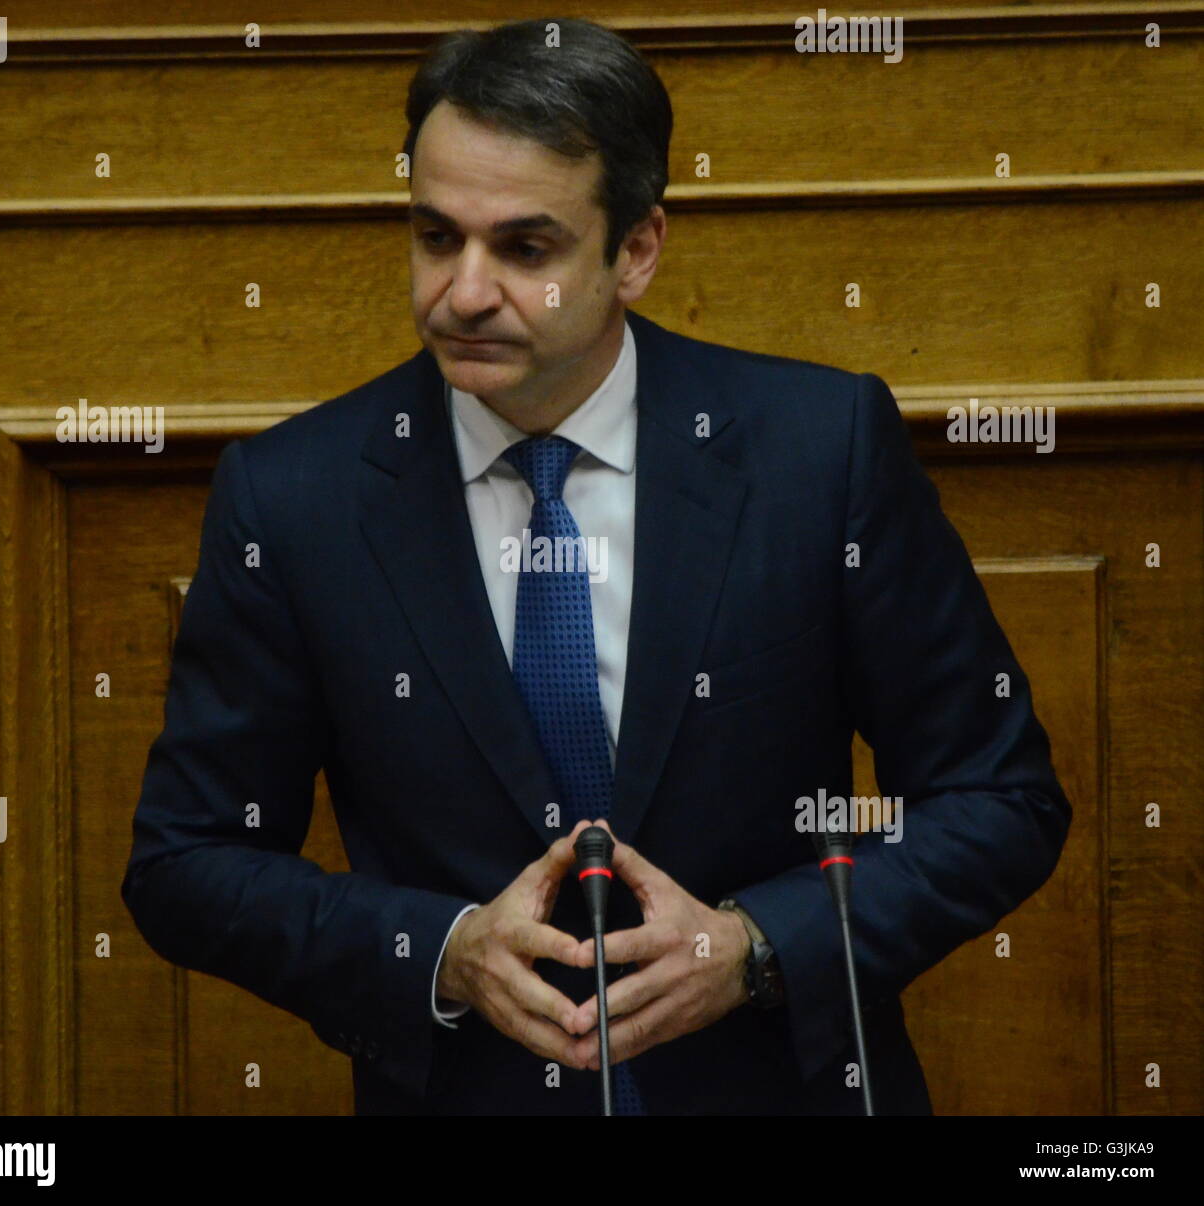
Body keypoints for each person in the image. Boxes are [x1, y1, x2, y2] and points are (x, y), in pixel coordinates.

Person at [122, 17, 1071, 1116]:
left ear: (635, 250)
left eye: (525, 249)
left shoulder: (819, 450)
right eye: (436, 237)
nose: (464, 291)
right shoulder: (293, 498)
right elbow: (185, 864)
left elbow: (999, 796)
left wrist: (762, 945)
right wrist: (439, 952)